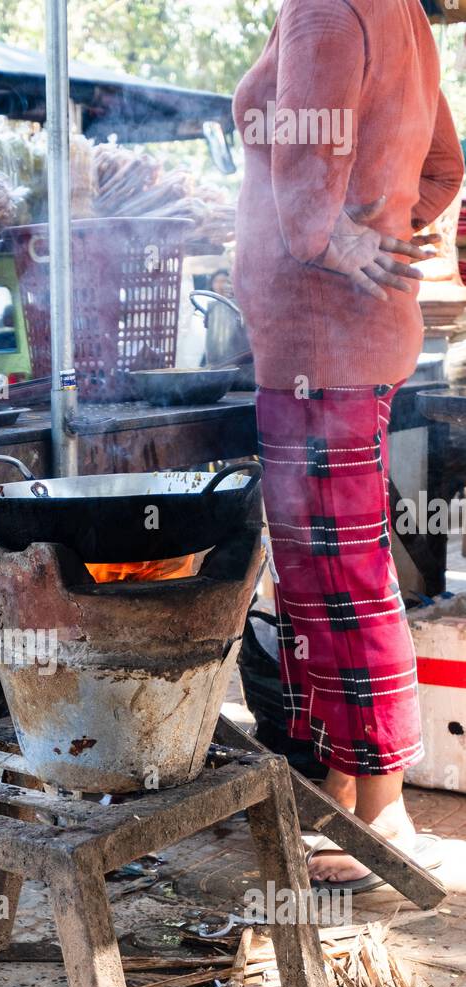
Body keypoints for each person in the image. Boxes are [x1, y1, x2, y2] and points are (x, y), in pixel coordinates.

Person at [233, 0, 464, 890]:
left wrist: (332, 240)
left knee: (341, 580)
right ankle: (342, 780)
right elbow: (443, 167)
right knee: (325, 573)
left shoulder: (326, 6)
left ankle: (383, 808)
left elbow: (303, 159)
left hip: (318, 341)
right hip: (348, 338)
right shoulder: (400, 12)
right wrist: (389, 227)